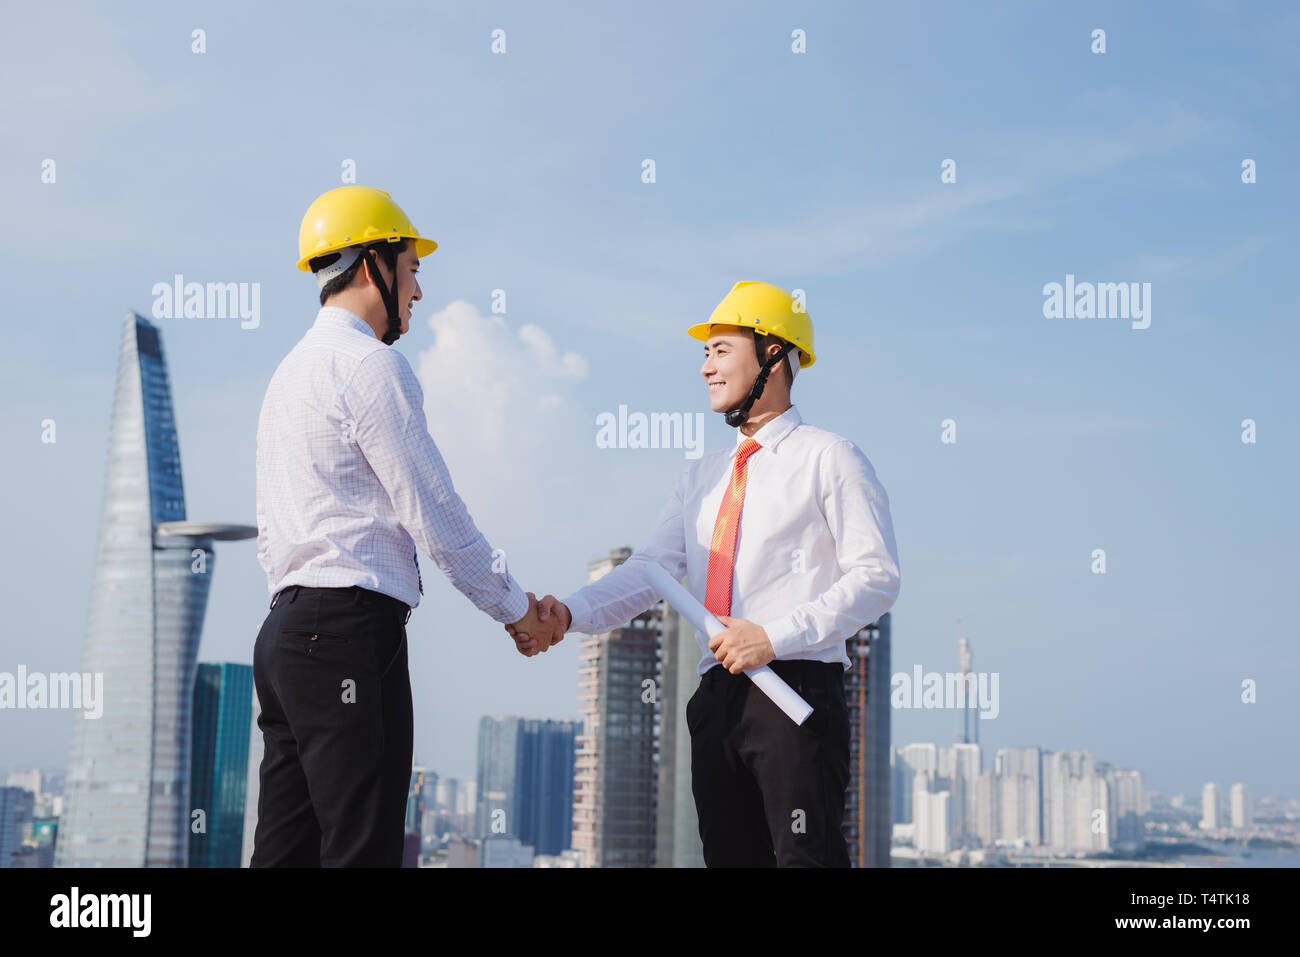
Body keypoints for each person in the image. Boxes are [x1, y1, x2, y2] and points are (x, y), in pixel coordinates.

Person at [512, 280, 901, 866]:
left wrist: (772, 636)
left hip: (794, 691)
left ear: (773, 353)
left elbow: (876, 576)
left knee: (806, 858)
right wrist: (567, 615)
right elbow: (651, 573)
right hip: (717, 698)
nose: (705, 368)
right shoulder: (701, 477)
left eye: (721, 350)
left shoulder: (829, 457)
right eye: (704, 353)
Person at [251, 185, 561, 867]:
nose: (418, 290)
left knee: (283, 853)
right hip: (348, 635)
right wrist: (514, 608)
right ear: (373, 266)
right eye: (413, 268)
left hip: (283, 635)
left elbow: (271, 528)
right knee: (362, 852)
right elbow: (435, 514)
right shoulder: (370, 366)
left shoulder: (286, 374)